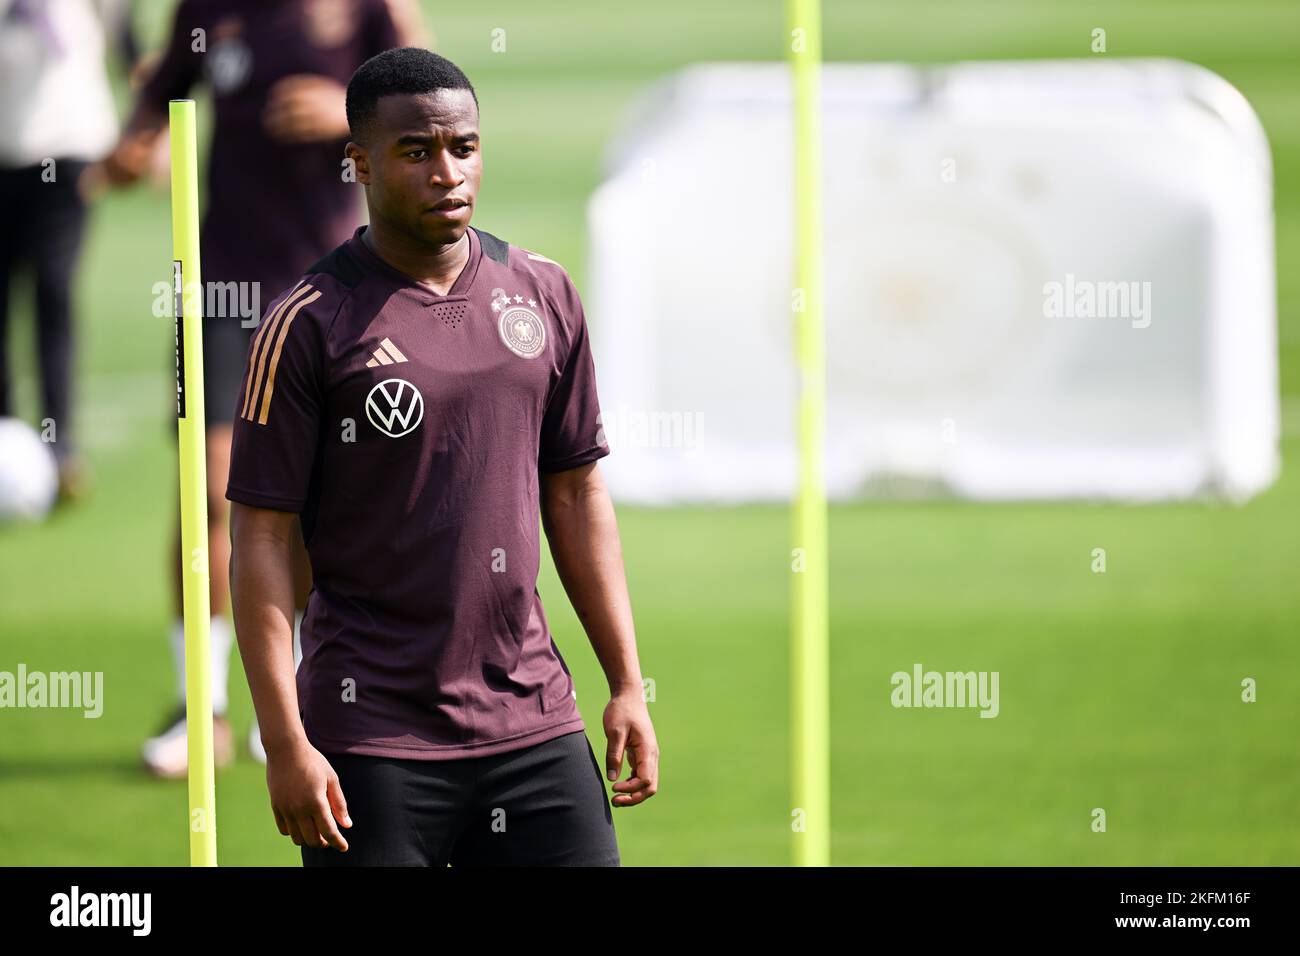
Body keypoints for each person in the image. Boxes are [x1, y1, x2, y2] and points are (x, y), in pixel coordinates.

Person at [227, 47, 658, 866]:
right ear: (358, 162)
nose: (446, 172)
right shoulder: (309, 324)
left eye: (462, 148)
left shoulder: (541, 291)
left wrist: (627, 684)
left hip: (533, 720)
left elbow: (576, 494)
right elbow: (263, 540)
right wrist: (285, 742)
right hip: (371, 735)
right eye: (415, 151)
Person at [93, 0, 422, 777]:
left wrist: (345, 110)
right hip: (219, 291)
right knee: (209, 491)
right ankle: (197, 706)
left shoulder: (368, 8)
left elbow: (426, 103)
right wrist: (134, 149)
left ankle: (304, 696)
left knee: (317, 502)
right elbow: (162, 92)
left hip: (336, 288)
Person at [0, 0, 134, 502]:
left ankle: (61, 449)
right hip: (4, 153)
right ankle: (9, 441)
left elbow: (126, 42)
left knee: (52, 293)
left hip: (68, 148)